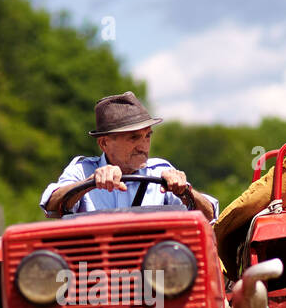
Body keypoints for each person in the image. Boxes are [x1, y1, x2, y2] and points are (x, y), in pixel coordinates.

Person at [40, 92, 218, 221]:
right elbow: (51, 206)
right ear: (104, 143)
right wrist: (90, 182)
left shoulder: (161, 171)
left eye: (147, 136)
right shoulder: (82, 170)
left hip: (152, 269)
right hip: (95, 267)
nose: (144, 146)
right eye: (133, 137)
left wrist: (184, 191)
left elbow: (209, 215)